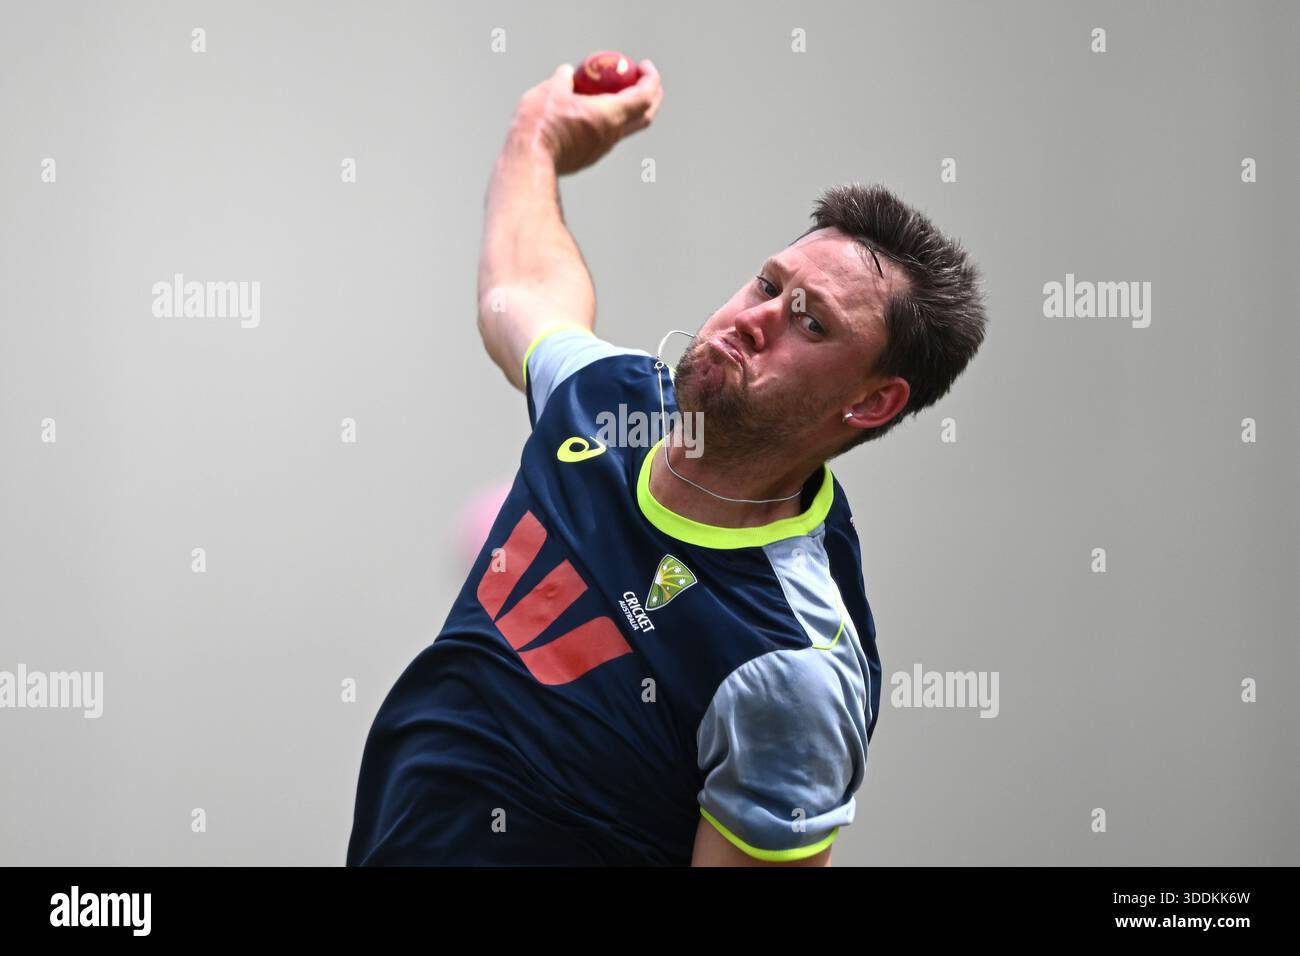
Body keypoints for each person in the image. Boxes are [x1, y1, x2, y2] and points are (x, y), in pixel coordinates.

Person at [347, 60, 988, 866]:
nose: (754, 319)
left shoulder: (789, 671)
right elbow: (523, 290)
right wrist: (536, 138)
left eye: (810, 323)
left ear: (871, 403)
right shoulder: (606, 404)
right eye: (768, 283)